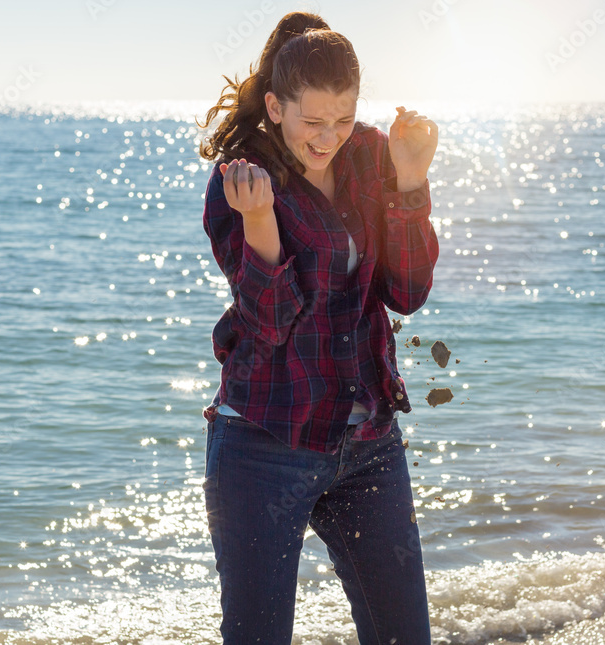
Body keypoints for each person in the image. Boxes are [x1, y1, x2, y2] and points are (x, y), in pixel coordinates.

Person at [197, 10, 439, 645]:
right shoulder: (242, 179)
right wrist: (258, 222)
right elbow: (269, 323)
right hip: (264, 444)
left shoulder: (370, 156)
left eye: (344, 117)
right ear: (276, 107)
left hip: (370, 446)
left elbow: (407, 294)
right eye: (312, 120)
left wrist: (411, 179)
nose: (329, 136)